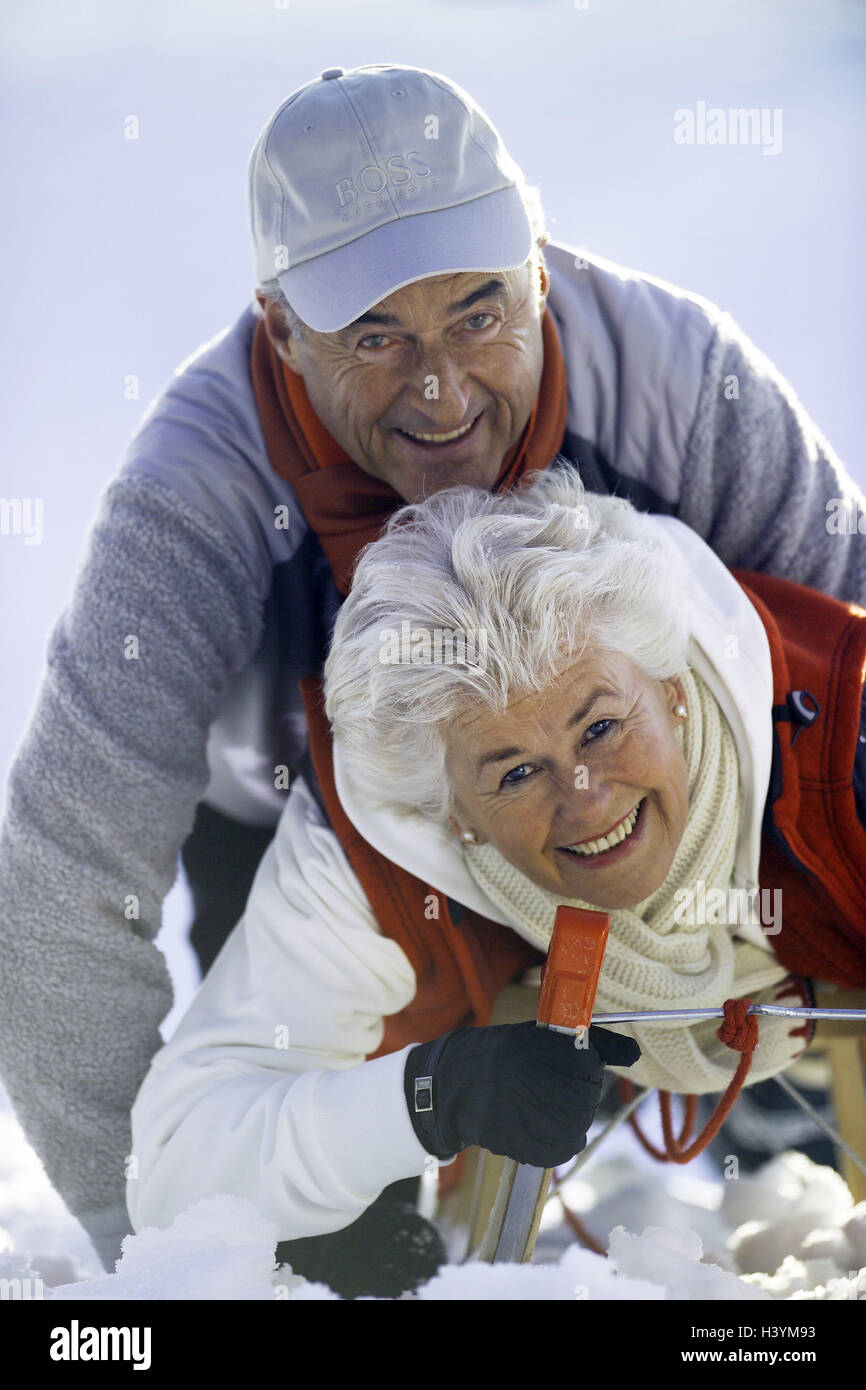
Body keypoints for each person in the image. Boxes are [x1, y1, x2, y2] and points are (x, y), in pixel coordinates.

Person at [0, 62, 863, 1275]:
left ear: (538, 269)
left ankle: (755, 1096)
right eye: (374, 337)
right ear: (280, 329)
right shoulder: (191, 500)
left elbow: (835, 638)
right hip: (312, 826)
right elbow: (65, 879)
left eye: (476, 314)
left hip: (675, 793)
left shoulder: (674, 377)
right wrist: (154, 1250)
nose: (441, 391)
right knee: (332, 1209)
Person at [126, 465, 866, 1298]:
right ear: (456, 816)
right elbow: (178, 1177)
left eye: (601, 726)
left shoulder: (848, 733)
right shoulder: (380, 839)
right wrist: (427, 1097)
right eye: (515, 773)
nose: (586, 798)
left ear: (671, 690)